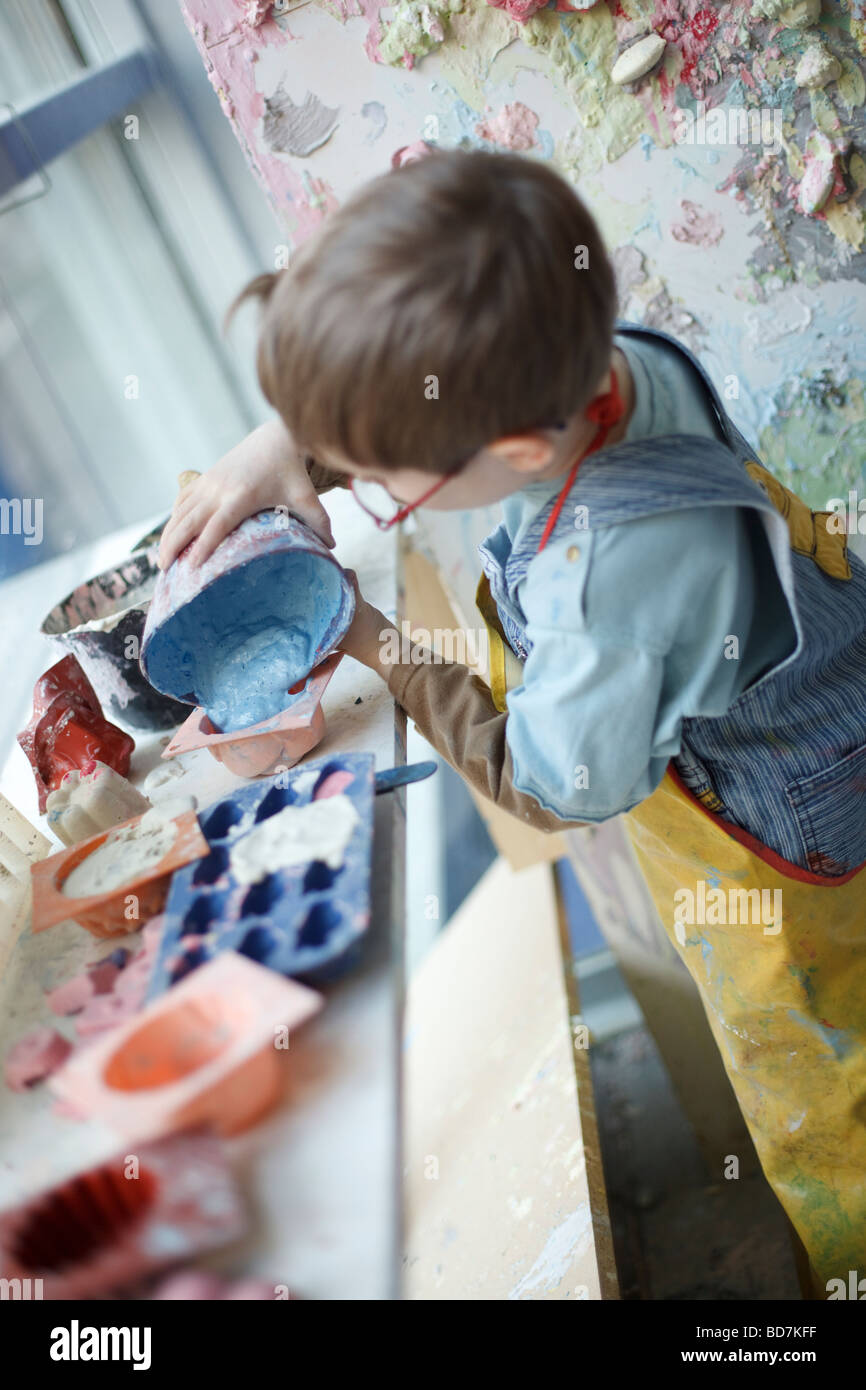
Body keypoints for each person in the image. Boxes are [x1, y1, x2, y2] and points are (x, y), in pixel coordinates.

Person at [159, 148, 866, 1291]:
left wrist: (376, 644)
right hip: (825, 702)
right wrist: (286, 443)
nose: (375, 497)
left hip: (786, 850)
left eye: (388, 485)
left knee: (821, 1092)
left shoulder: (612, 594)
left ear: (521, 456)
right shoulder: (583, 355)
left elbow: (545, 783)